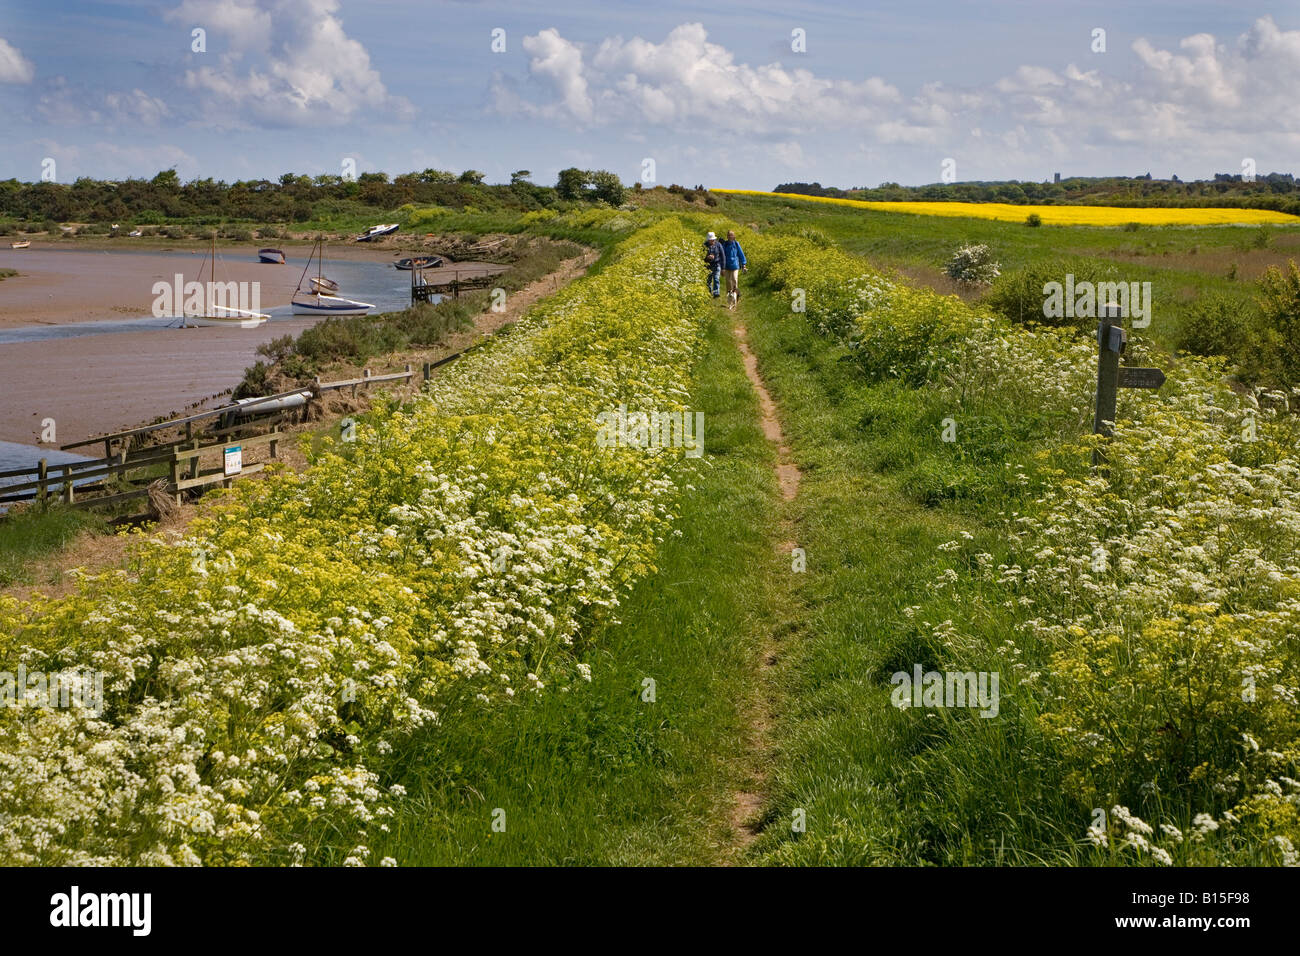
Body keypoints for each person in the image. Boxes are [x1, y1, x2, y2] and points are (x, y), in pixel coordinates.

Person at [720, 229, 747, 301]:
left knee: (734, 279)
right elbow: (721, 255)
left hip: (735, 266)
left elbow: (741, 254)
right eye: (729, 235)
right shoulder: (724, 245)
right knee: (728, 281)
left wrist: (744, 264)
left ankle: (736, 294)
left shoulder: (736, 244)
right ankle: (729, 296)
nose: (730, 236)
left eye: (731, 235)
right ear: (727, 236)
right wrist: (721, 266)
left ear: (734, 236)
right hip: (727, 266)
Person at [703, 231, 724, 298]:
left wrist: (723, 267)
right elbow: (701, 256)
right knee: (708, 280)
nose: (711, 241)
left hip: (717, 264)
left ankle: (716, 293)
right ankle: (709, 292)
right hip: (708, 265)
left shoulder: (718, 245)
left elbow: (723, 256)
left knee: (716, 278)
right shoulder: (704, 245)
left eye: (712, 240)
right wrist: (707, 257)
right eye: (710, 240)